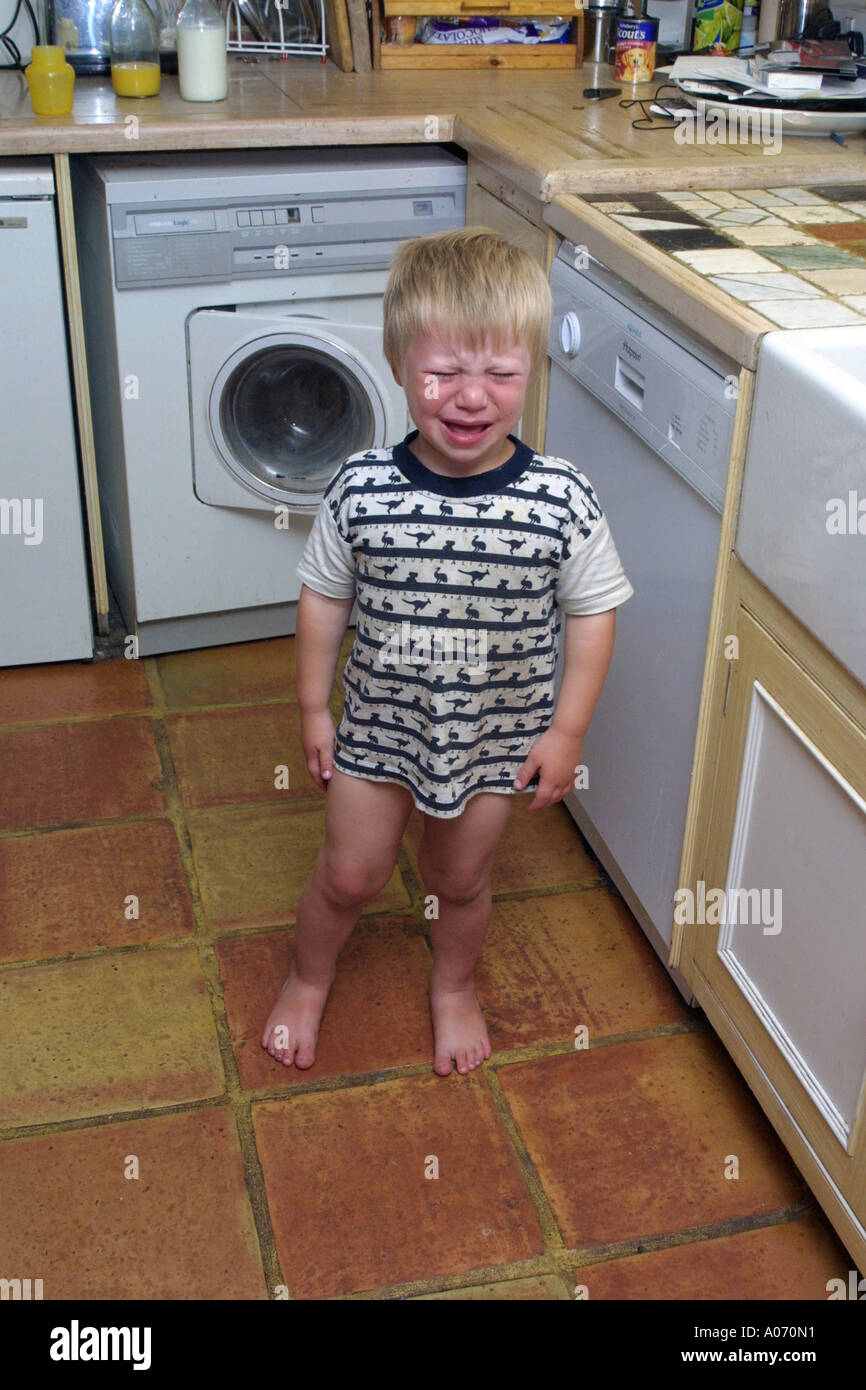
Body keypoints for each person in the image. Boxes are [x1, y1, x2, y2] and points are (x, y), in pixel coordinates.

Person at [261, 226, 633, 1078]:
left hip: (496, 736)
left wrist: (567, 732)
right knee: (349, 876)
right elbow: (323, 597)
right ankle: (308, 980)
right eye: (442, 373)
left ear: (530, 369)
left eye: (499, 373)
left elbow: (593, 613)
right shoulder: (360, 487)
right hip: (379, 730)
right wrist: (315, 708)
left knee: (458, 881)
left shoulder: (561, 499)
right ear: (397, 364)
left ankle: (454, 986)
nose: (471, 397)